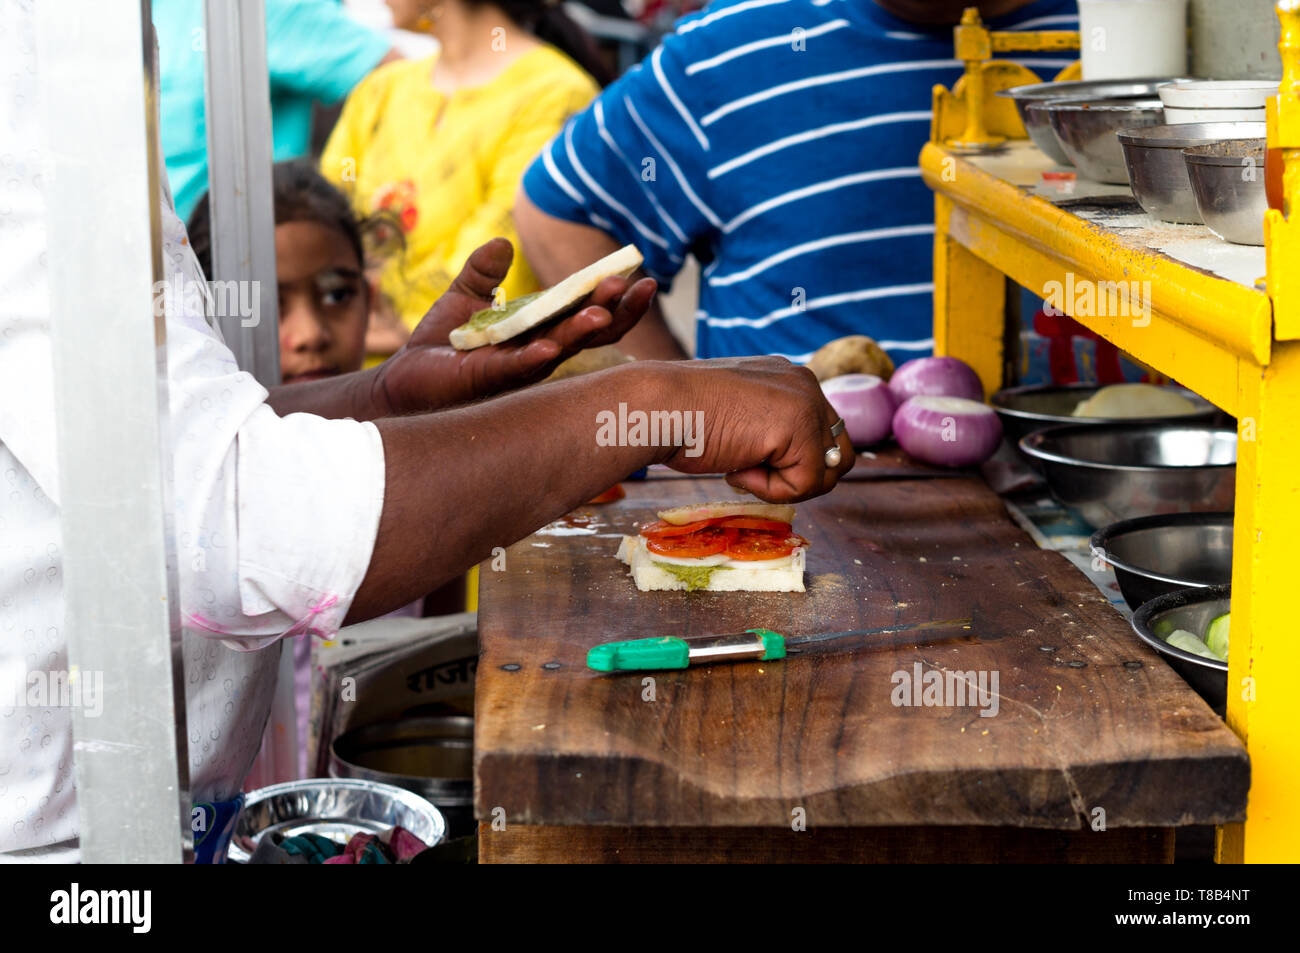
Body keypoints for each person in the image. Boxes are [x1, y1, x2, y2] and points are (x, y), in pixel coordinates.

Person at [0, 3, 852, 859]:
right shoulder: (35, 50)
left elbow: (126, 450)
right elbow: (222, 528)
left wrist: (386, 398)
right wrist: (649, 402)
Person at [514, 0, 1079, 365]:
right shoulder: (732, 48)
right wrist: (675, 406)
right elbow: (563, 210)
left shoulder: (1131, 35)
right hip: (805, 525)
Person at [320, 0, 611, 357]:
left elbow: (485, 289)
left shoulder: (556, 96)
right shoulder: (379, 91)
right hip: (354, 385)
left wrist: (337, 325)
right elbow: (320, 241)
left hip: (467, 394)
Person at [153, 0, 401, 221]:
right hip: (136, 261)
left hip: (234, 264)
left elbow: (398, 84)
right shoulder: (127, 18)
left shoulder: (251, 8)